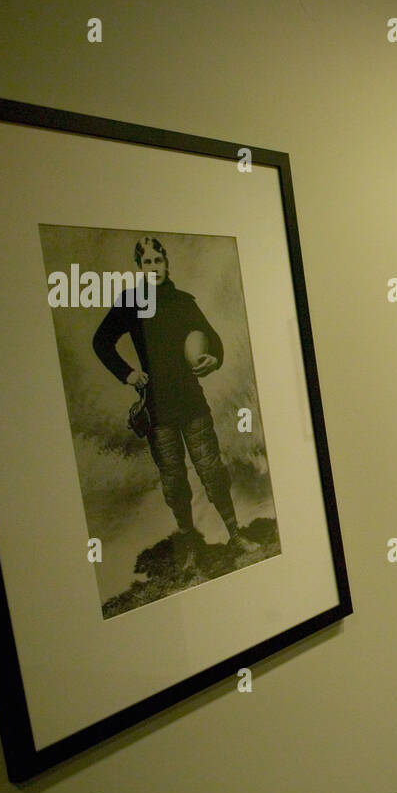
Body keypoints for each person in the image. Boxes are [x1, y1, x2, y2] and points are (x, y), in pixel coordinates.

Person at [93, 236, 258, 569]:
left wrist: (213, 358)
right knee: (173, 481)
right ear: (139, 267)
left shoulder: (184, 302)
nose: (154, 267)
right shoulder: (131, 302)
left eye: (159, 260)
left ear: (167, 263)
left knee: (212, 470)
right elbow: (101, 342)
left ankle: (235, 533)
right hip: (157, 408)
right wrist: (127, 374)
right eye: (147, 262)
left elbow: (213, 341)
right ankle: (191, 544)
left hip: (190, 401)